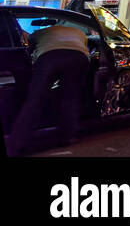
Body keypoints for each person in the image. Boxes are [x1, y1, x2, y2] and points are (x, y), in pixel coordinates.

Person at [11, 17, 92, 155]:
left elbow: (30, 50)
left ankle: (19, 142)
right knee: (70, 98)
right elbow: (83, 47)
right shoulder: (77, 31)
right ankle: (68, 136)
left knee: (35, 99)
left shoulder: (39, 33)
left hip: (50, 56)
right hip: (79, 58)